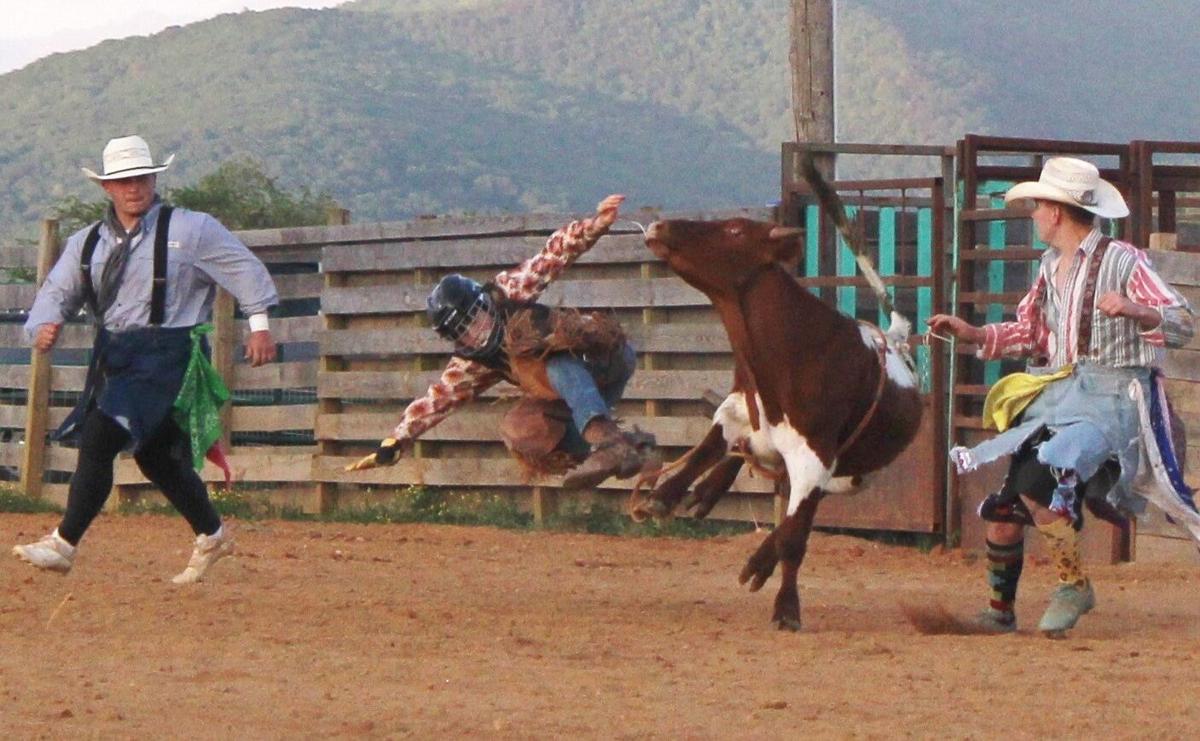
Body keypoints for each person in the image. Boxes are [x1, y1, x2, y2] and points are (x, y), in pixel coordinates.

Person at [927, 157, 1199, 637]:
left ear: (1057, 211)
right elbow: (1032, 334)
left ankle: (1073, 585)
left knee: (1054, 478)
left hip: (1118, 399)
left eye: (1037, 206)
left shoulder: (1125, 261)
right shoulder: (1050, 267)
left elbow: (1182, 321)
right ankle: (1000, 611)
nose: (1032, 215)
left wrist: (1136, 310)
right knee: (1011, 503)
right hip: (1065, 396)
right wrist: (973, 333)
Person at [12, 134, 279, 583]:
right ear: (107, 188)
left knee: (100, 436)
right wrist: (43, 326)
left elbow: (244, 269)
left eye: (142, 178)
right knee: (155, 457)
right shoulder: (87, 243)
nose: (135, 187)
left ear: (154, 180)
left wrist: (259, 326)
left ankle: (63, 544)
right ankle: (212, 534)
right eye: (124, 181)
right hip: (115, 355)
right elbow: (57, 292)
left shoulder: (191, 229)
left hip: (168, 354)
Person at [347, 194, 656, 488]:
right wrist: (396, 440)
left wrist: (595, 225)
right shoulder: (470, 363)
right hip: (578, 399)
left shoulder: (509, 292)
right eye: (464, 332)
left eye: (475, 319)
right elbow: (436, 400)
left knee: (550, 360)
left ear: (484, 302)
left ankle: (609, 443)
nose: (477, 333)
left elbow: (553, 255)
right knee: (521, 430)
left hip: (601, 358)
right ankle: (638, 450)